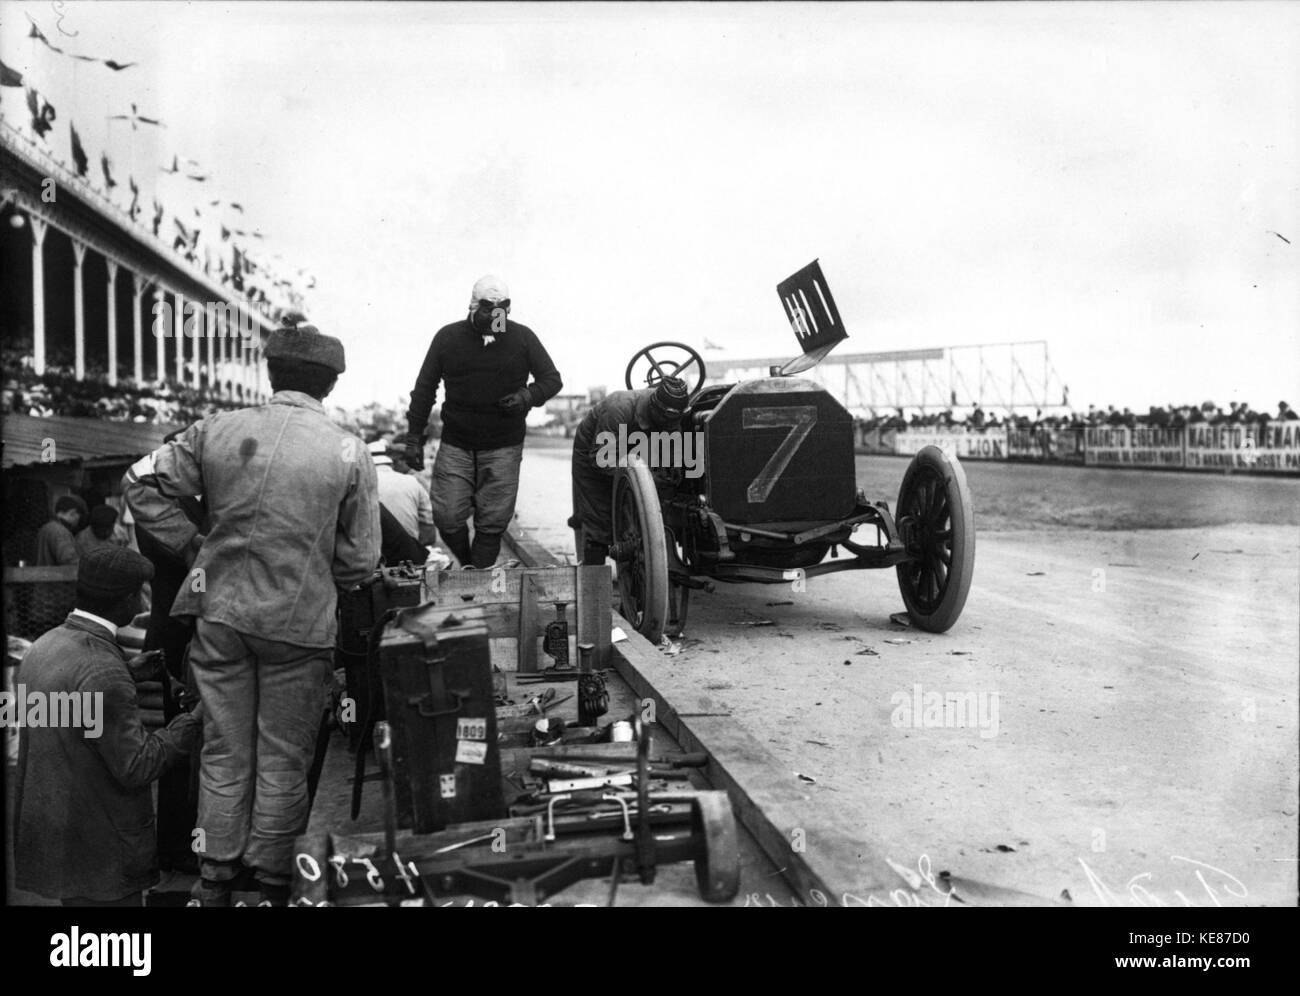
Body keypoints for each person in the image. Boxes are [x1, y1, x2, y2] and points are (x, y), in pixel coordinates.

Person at [124, 314, 381, 907]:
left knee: (222, 746)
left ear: (270, 373)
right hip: (299, 625)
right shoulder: (348, 450)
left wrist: (193, 546)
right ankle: (269, 881)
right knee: (284, 755)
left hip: (218, 616)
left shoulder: (216, 429)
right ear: (331, 384)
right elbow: (361, 561)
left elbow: (138, 483)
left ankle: (214, 876)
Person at [13, 546, 203, 907]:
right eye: (141, 592)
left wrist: (127, 673)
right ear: (129, 599)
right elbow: (137, 765)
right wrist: (192, 722)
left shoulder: (43, 648)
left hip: (60, 841)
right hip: (103, 848)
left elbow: (69, 713)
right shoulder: (102, 668)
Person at [402, 275, 562, 568]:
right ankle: (469, 565)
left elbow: (552, 380)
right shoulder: (448, 338)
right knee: (447, 515)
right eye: (488, 310)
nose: (495, 318)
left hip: (504, 445)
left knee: (492, 521)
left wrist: (526, 396)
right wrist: (414, 437)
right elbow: (425, 389)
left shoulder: (522, 337)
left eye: (502, 311)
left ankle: (477, 576)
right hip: (456, 444)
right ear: (473, 307)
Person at [569, 377, 691, 566]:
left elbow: (672, 443)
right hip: (593, 453)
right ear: (654, 408)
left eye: (673, 420)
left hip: (633, 447)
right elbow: (601, 460)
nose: (668, 424)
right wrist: (645, 478)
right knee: (598, 518)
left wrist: (672, 470)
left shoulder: (670, 417)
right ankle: (593, 576)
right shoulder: (618, 408)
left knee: (652, 498)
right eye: (664, 420)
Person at [369, 439, 437, 547]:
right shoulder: (412, 481)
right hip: (409, 553)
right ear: (392, 462)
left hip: (372, 551)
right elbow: (429, 532)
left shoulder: (360, 484)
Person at [34, 494, 87, 566]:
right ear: (73, 513)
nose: (78, 521)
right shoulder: (61, 532)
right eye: (79, 516)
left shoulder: (45, 528)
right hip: (56, 576)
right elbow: (70, 560)